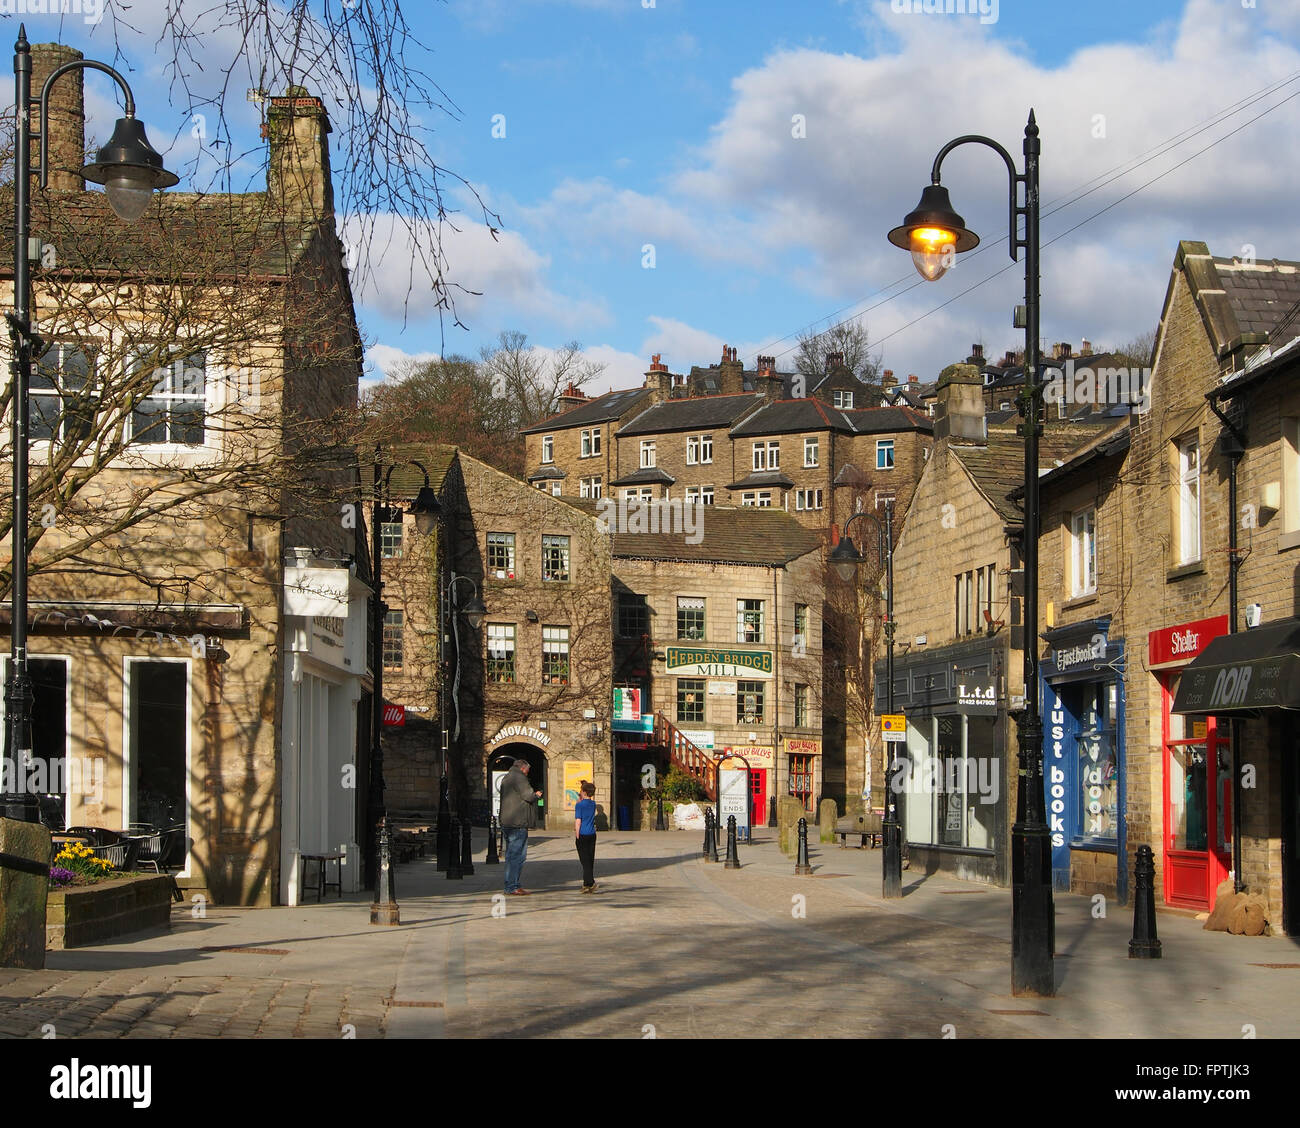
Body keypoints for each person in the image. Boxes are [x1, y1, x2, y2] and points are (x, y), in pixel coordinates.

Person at [499, 758, 542, 895]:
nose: (528, 774)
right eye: (527, 771)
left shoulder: (507, 777)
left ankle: (509, 884)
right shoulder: (520, 778)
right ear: (523, 768)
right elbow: (528, 796)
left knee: (510, 856)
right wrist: (536, 795)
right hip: (518, 822)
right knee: (518, 856)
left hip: (507, 821)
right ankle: (513, 886)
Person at [574, 780, 598, 893]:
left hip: (582, 833)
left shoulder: (579, 805)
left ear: (583, 792)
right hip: (592, 834)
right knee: (590, 859)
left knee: (584, 861)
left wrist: (577, 834)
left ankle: (591, 883)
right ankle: (586, 884)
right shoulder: (593, 804)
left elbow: (578, 821)